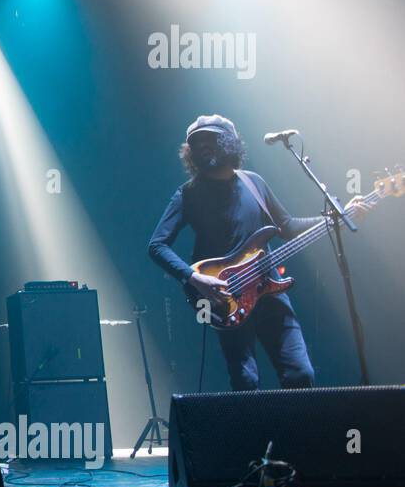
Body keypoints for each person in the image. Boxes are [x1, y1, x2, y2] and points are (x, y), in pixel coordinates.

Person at [148, 115, 365, 391]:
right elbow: (156, 245)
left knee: (300, 373)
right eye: (197, 142)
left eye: (210, 139)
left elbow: (287, 226)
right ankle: (257, 434)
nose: (203, 145)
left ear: (229, 143)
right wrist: (193, 277)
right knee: (246, 381)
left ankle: (292, 434)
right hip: (226, 298)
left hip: (270, 292)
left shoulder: (254, 183)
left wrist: (336, 218)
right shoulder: (188, 195)